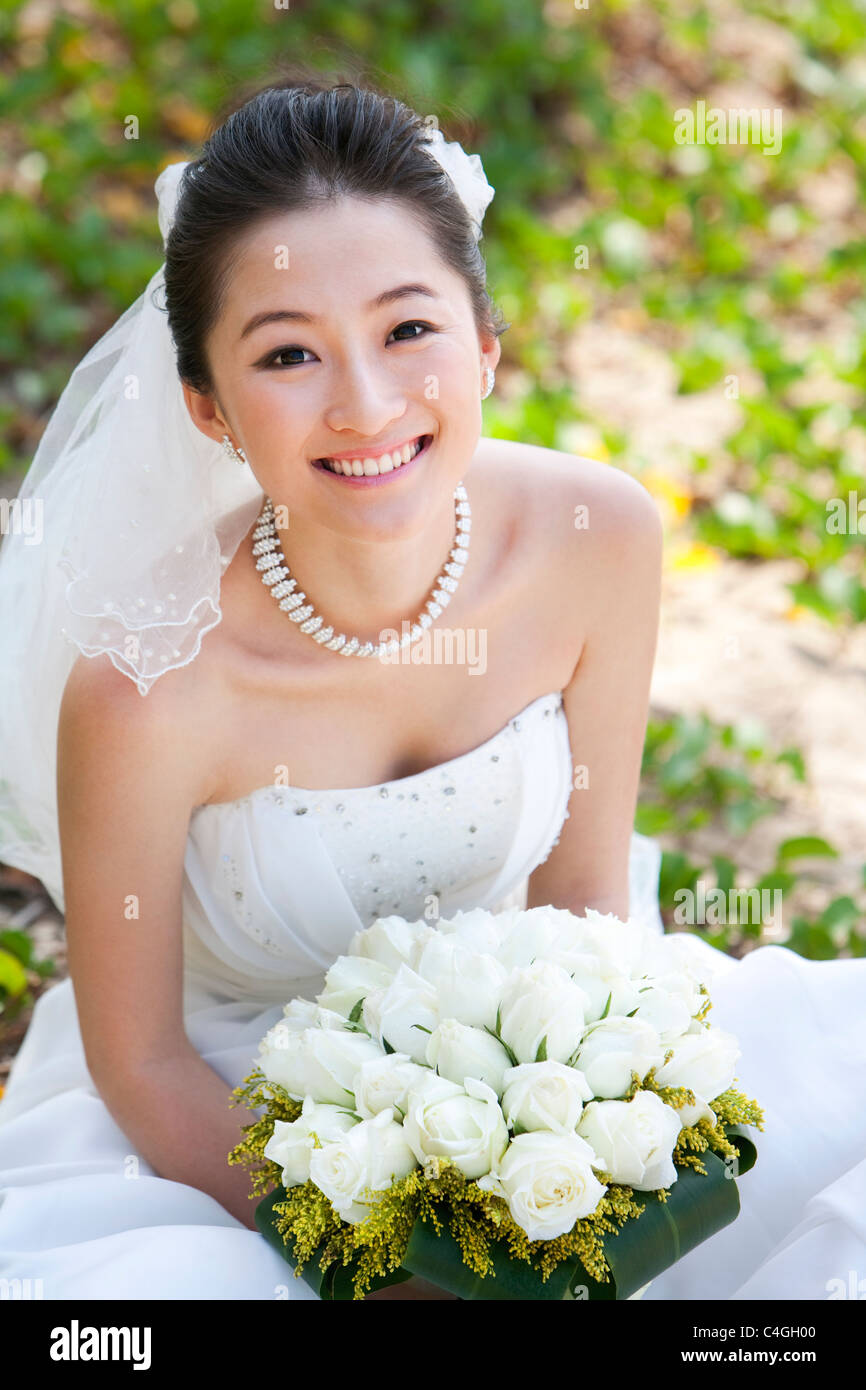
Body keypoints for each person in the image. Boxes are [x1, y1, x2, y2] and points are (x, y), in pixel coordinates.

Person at [0, 72, 863, 1303]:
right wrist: (391, 1260)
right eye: (287, 352)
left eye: (408, 329)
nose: (364, 404)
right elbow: (140, 1063)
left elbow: (586, 915)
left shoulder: (595, 538)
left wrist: (566, 1161)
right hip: (231, 1123)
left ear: (487, 345)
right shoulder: (146, 691)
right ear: (208, 409)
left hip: (526, 1063)